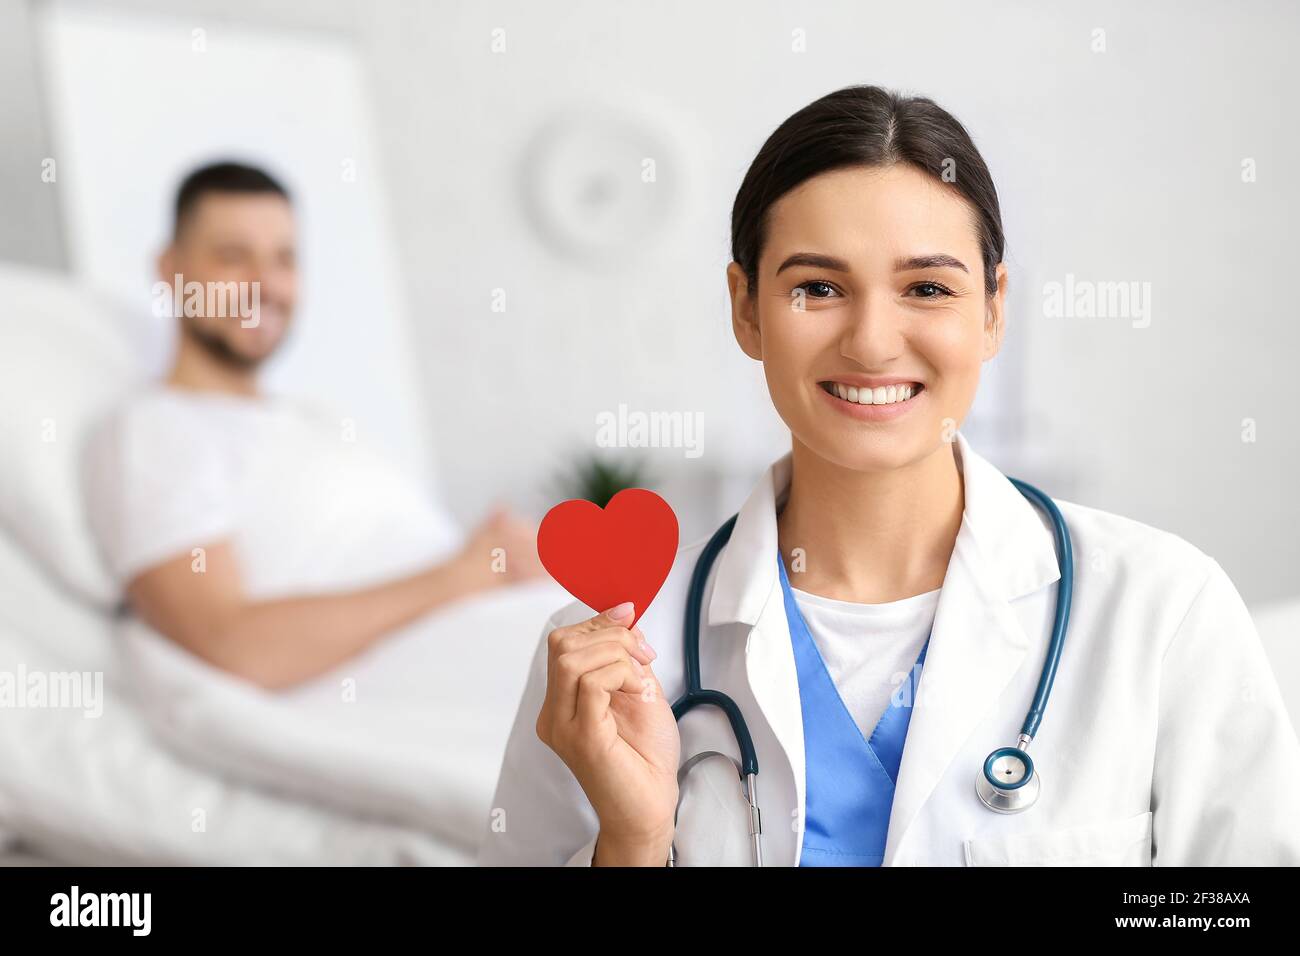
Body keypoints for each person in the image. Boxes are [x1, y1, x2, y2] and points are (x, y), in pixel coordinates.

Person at [479, 86, 1300, 866]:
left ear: (992, 310)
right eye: (819, 287)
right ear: (746, 309)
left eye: (928, 287)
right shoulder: (608, 655)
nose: (872, 342)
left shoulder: (1163, 611)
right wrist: (632, 841)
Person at [84, 161, 544, 690]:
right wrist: (469, 574)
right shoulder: (152, 431)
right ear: (170, 269)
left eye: (284, 258)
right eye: (233, 256)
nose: (266, 284)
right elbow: (228, 645)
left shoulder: (317, 421)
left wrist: (502, 556)